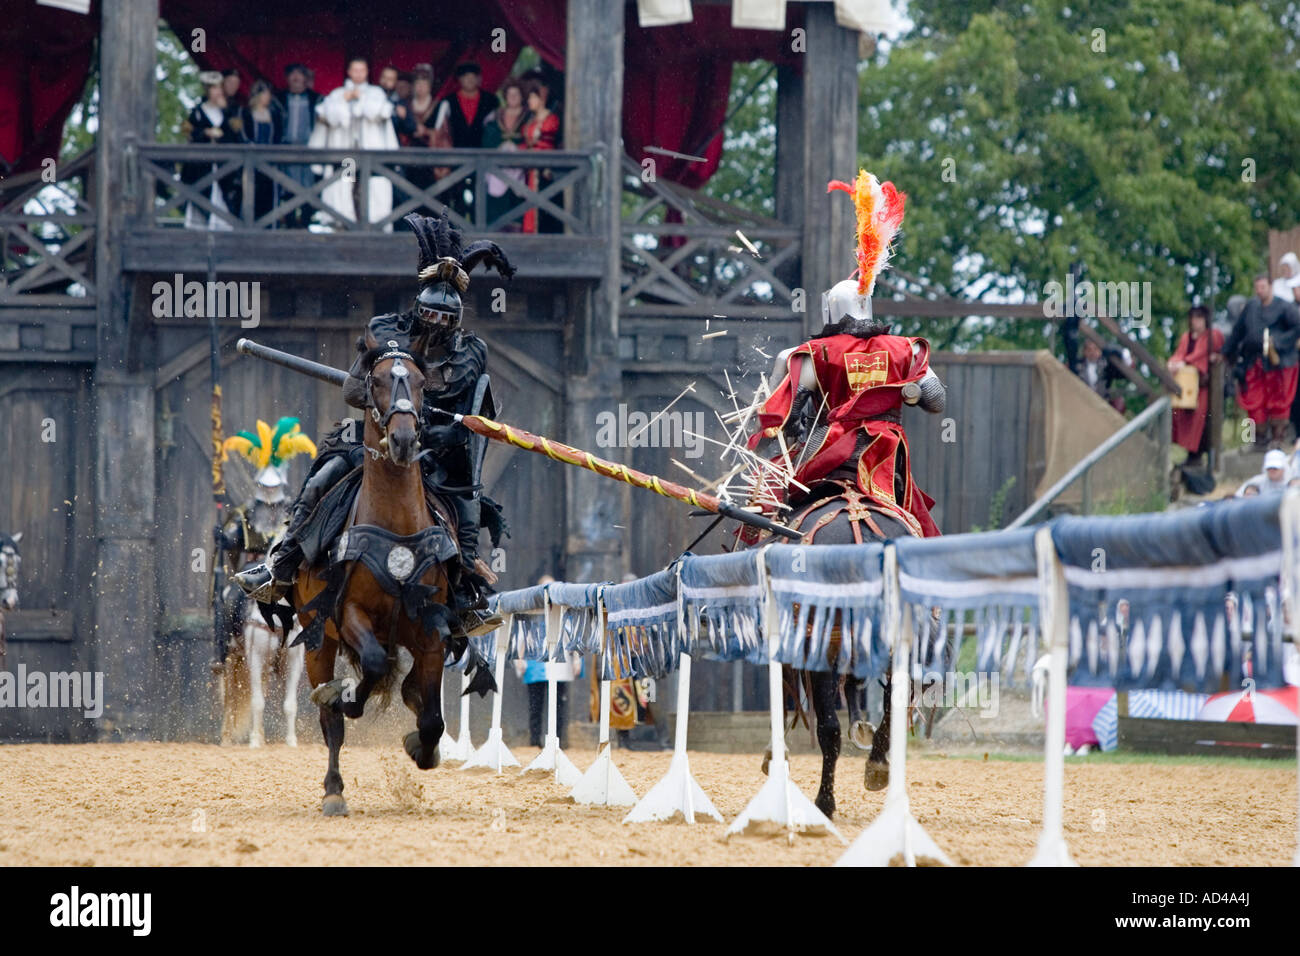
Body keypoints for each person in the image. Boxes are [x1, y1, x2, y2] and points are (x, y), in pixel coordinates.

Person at [234, 213, 516, 639]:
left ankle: (463, 601)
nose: (436, 326)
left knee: (467, 509)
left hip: (438, 449)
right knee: (320, 480)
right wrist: (391, 403)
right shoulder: (385, 331)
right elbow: (352, 391)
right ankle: (281, 566)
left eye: (445, 319)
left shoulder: (472, 352)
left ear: (456, 320)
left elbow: (475, 411)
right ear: (418, 309)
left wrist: (439, 430)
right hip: (375, 439)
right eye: (430, 316)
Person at [747, 169, 946, 540]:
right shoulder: (905, 349)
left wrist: (792, 433)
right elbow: (936, 400)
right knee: (922, 530)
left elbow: (775, 421)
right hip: (887, 463)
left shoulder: (812, 354)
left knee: (765, 516)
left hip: (826, 454)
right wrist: (908, 391)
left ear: (830, 311)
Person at [214, 417, 317, 665]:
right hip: (254, 566)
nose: (270, 491)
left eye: (273, 487)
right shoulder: (246, 512)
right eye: (265, 487)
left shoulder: (294, 511)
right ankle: (226, 647)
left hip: (286, 569)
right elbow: (234, 539)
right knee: (228, 601)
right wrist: (224, 538)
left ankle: (317, 647)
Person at [308, 58, 399, 229]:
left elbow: (381, 112)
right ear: (349, 72)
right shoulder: (337, 94)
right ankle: (340, 224)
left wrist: (361, 98)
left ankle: (375, 226)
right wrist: (344, 100)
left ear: (366, 72)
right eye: (354, 70)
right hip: (346, 155)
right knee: (342, 187)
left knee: (373, 189)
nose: (358, 74)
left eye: (361, 70)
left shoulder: (375, 93)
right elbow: (325, 115)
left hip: (371, 156)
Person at [1223, 274, 1300, 448]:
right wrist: (1225, 352)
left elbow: (1297, 327)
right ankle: (1257, 439)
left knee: (1278, 400)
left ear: (1270, 287)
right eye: (1257, 287)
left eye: (1263, 287)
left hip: (1278, 363)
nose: (1260, 291)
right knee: (1253, 401)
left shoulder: (1285, 307)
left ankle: (1277, 439)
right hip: (1254, 362)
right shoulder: (1251, 307)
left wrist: (1277, 342)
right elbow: (1238, 331)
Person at [181, 72, 241, 230]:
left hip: (224, 167)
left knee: (224, 203)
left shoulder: (230, 111)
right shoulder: (197, 111)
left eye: (219, 88)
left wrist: (226, 111)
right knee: (201, 200)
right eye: (213, 88)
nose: (217, 92)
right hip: (202, 166)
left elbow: (237, 134)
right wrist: (205, 133)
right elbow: (188, 132)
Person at [433, 63, 493, 216]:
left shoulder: (490, 100)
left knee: (480, 194)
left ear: (479, 79)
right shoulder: (449, 101)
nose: (470, 81)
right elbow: (440, 130)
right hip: (455, 157)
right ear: (459, 80)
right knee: (455, 196)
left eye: (473, 77)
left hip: (482, 156)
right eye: (466, 77)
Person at [1168, 305, 1223, 468]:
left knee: (1199, 421)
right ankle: (1189, 454)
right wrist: (1174, 363)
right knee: (1183, 418)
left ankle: (1197, 456)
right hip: (1186, 387)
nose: (1195, 322)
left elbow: (1200, 354)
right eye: (1193, 318)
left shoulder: (1212, 335)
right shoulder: (1187, 337)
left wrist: (1184, 362)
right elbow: (1180, 353)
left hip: (1203, 387)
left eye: (1199, 318)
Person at [274, 64, 321, 228]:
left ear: (305, 79)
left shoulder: (316, 99)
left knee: (309, 188)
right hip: (286, 150)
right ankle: (291, 224)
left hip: (309, 151)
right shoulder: (279, 99)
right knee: (287, 188)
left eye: (299, 75)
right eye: (292, 75)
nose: (295, 78)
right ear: (287, 79)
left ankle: (305, 225)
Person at [482, 78, 527, 229]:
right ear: (505, 96)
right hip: (498, 166)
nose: (513, 97)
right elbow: (488, 136)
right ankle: (496, 227)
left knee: (518, 194)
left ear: (522, 96)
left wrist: (517, 146)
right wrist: (500, 144)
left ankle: (517, 226)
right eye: (510, 94)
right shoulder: (496, 115)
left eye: (517, 94)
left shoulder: (528, 116)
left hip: (521, 166)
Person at [239, 80, 285, 225]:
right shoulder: (246, 113)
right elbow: (244, 135)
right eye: (265, 94)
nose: (268, 97)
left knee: (270, 196)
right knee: (251, 195)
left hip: (271, 162)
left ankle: (270, 226)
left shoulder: (274, 114)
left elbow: (278, 136)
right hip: (252, 162)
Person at [519, 81, 560, 235]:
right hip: (530, 169)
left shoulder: (551, 118)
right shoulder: (530, 121)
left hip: (545, 168)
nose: (529, 102)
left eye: (532, 98)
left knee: (544, 204)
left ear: (540, 99)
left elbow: (548, 142)